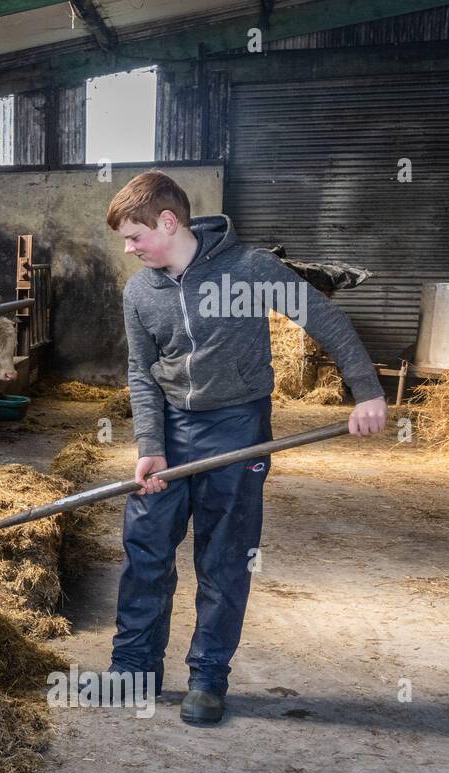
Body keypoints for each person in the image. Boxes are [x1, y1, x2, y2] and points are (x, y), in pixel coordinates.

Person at [103, 170, 387, 725]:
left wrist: (368, 391)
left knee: (226, 553)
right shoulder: (139, 290)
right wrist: (149, 445)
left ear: (168, 221)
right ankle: (133, 671)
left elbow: (325, 319)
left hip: (237, 425)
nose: (130, 249)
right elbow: (141, 372)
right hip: (170, 425)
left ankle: (208, 678)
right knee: (146, 547)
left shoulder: (249, 269)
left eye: (135, 237)